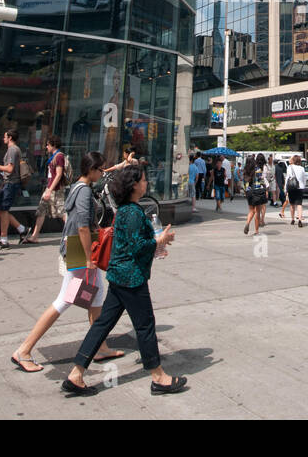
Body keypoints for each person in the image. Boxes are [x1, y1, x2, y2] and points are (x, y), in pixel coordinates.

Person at [61, 163, 186, 396]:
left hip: (120, 277)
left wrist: (158, 243)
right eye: (143, 180)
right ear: (134, 185)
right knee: (145, 325)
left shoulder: (128, 210)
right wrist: (160, 240)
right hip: (131, 279)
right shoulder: (132, 212)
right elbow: (138, 247)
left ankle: (76, 373)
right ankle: (158, 377)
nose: (147, 182)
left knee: (102, 324)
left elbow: (134, 243)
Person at [10, 152, 123, 372]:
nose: (101, 174)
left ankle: (100, 345)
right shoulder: (82, 192)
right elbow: (81, 225)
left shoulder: (78, 187)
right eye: (100, 170)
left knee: (97, 295)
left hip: (77, 248)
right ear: (90, 169)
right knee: (64, 300)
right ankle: (24, 350)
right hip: (79, 250)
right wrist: (89, 257)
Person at [0, 129, 29, 250]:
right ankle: (22, 229)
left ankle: (4, 239)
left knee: (3, 211)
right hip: (9, 183)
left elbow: (10, 169)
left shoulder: (12, 150)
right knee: (0, 211)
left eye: (5, 136)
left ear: (10, 137)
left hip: (10, 183)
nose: (3, 138)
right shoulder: (15, 149)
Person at [23, 135, 64, 244]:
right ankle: (35, 236)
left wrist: (50, 189)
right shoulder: (53, 157)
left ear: (53, 145)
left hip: (55, 189)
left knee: (62, 212)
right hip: (49, 188)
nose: (46, 147)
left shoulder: (59, 156)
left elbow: (59, 174)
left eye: (48, 145)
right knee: (41, 211)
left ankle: (72, 234)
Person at [243, 154, 267, 235]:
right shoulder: (257, 169)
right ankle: (256, 231)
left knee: (251, 211)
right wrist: (265, 188)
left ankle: (247, 223)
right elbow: (261, 181)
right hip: (257, 192)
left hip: (249, 192)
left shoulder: (245, 170)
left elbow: (244, 183)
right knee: (257, 212)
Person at [286, 154, 307, 227]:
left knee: (292, 204)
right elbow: (304, 179)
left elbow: (287, 178)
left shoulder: (289, 167)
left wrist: (285, 188)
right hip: (300, 187)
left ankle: (292, 219)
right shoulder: (302, 168)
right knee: (299, 204)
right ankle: (300, 219)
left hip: (291, 187)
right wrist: (303, 186)